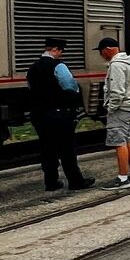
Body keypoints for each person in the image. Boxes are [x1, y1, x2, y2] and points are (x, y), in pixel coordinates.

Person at [26, 37, 93, 193]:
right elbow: (71, 87)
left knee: (47, 148)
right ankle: (75, 181)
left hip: (40, 115)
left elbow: (30, 89)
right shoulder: (59, 66)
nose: (61, 55)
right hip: (59, 114)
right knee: (67, 149)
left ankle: (51, 182)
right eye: (61, 51)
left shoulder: (32, 68)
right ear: (55, 49)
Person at [97, 37, 130, 188]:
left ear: (107, 49)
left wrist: (111, 108)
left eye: (101, 52)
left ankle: (123, 178)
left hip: (120, 109)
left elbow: (117, 91)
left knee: (119, 142)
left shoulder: (116, 65)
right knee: (128, 141)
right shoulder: (128, 62)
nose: (102, 56)